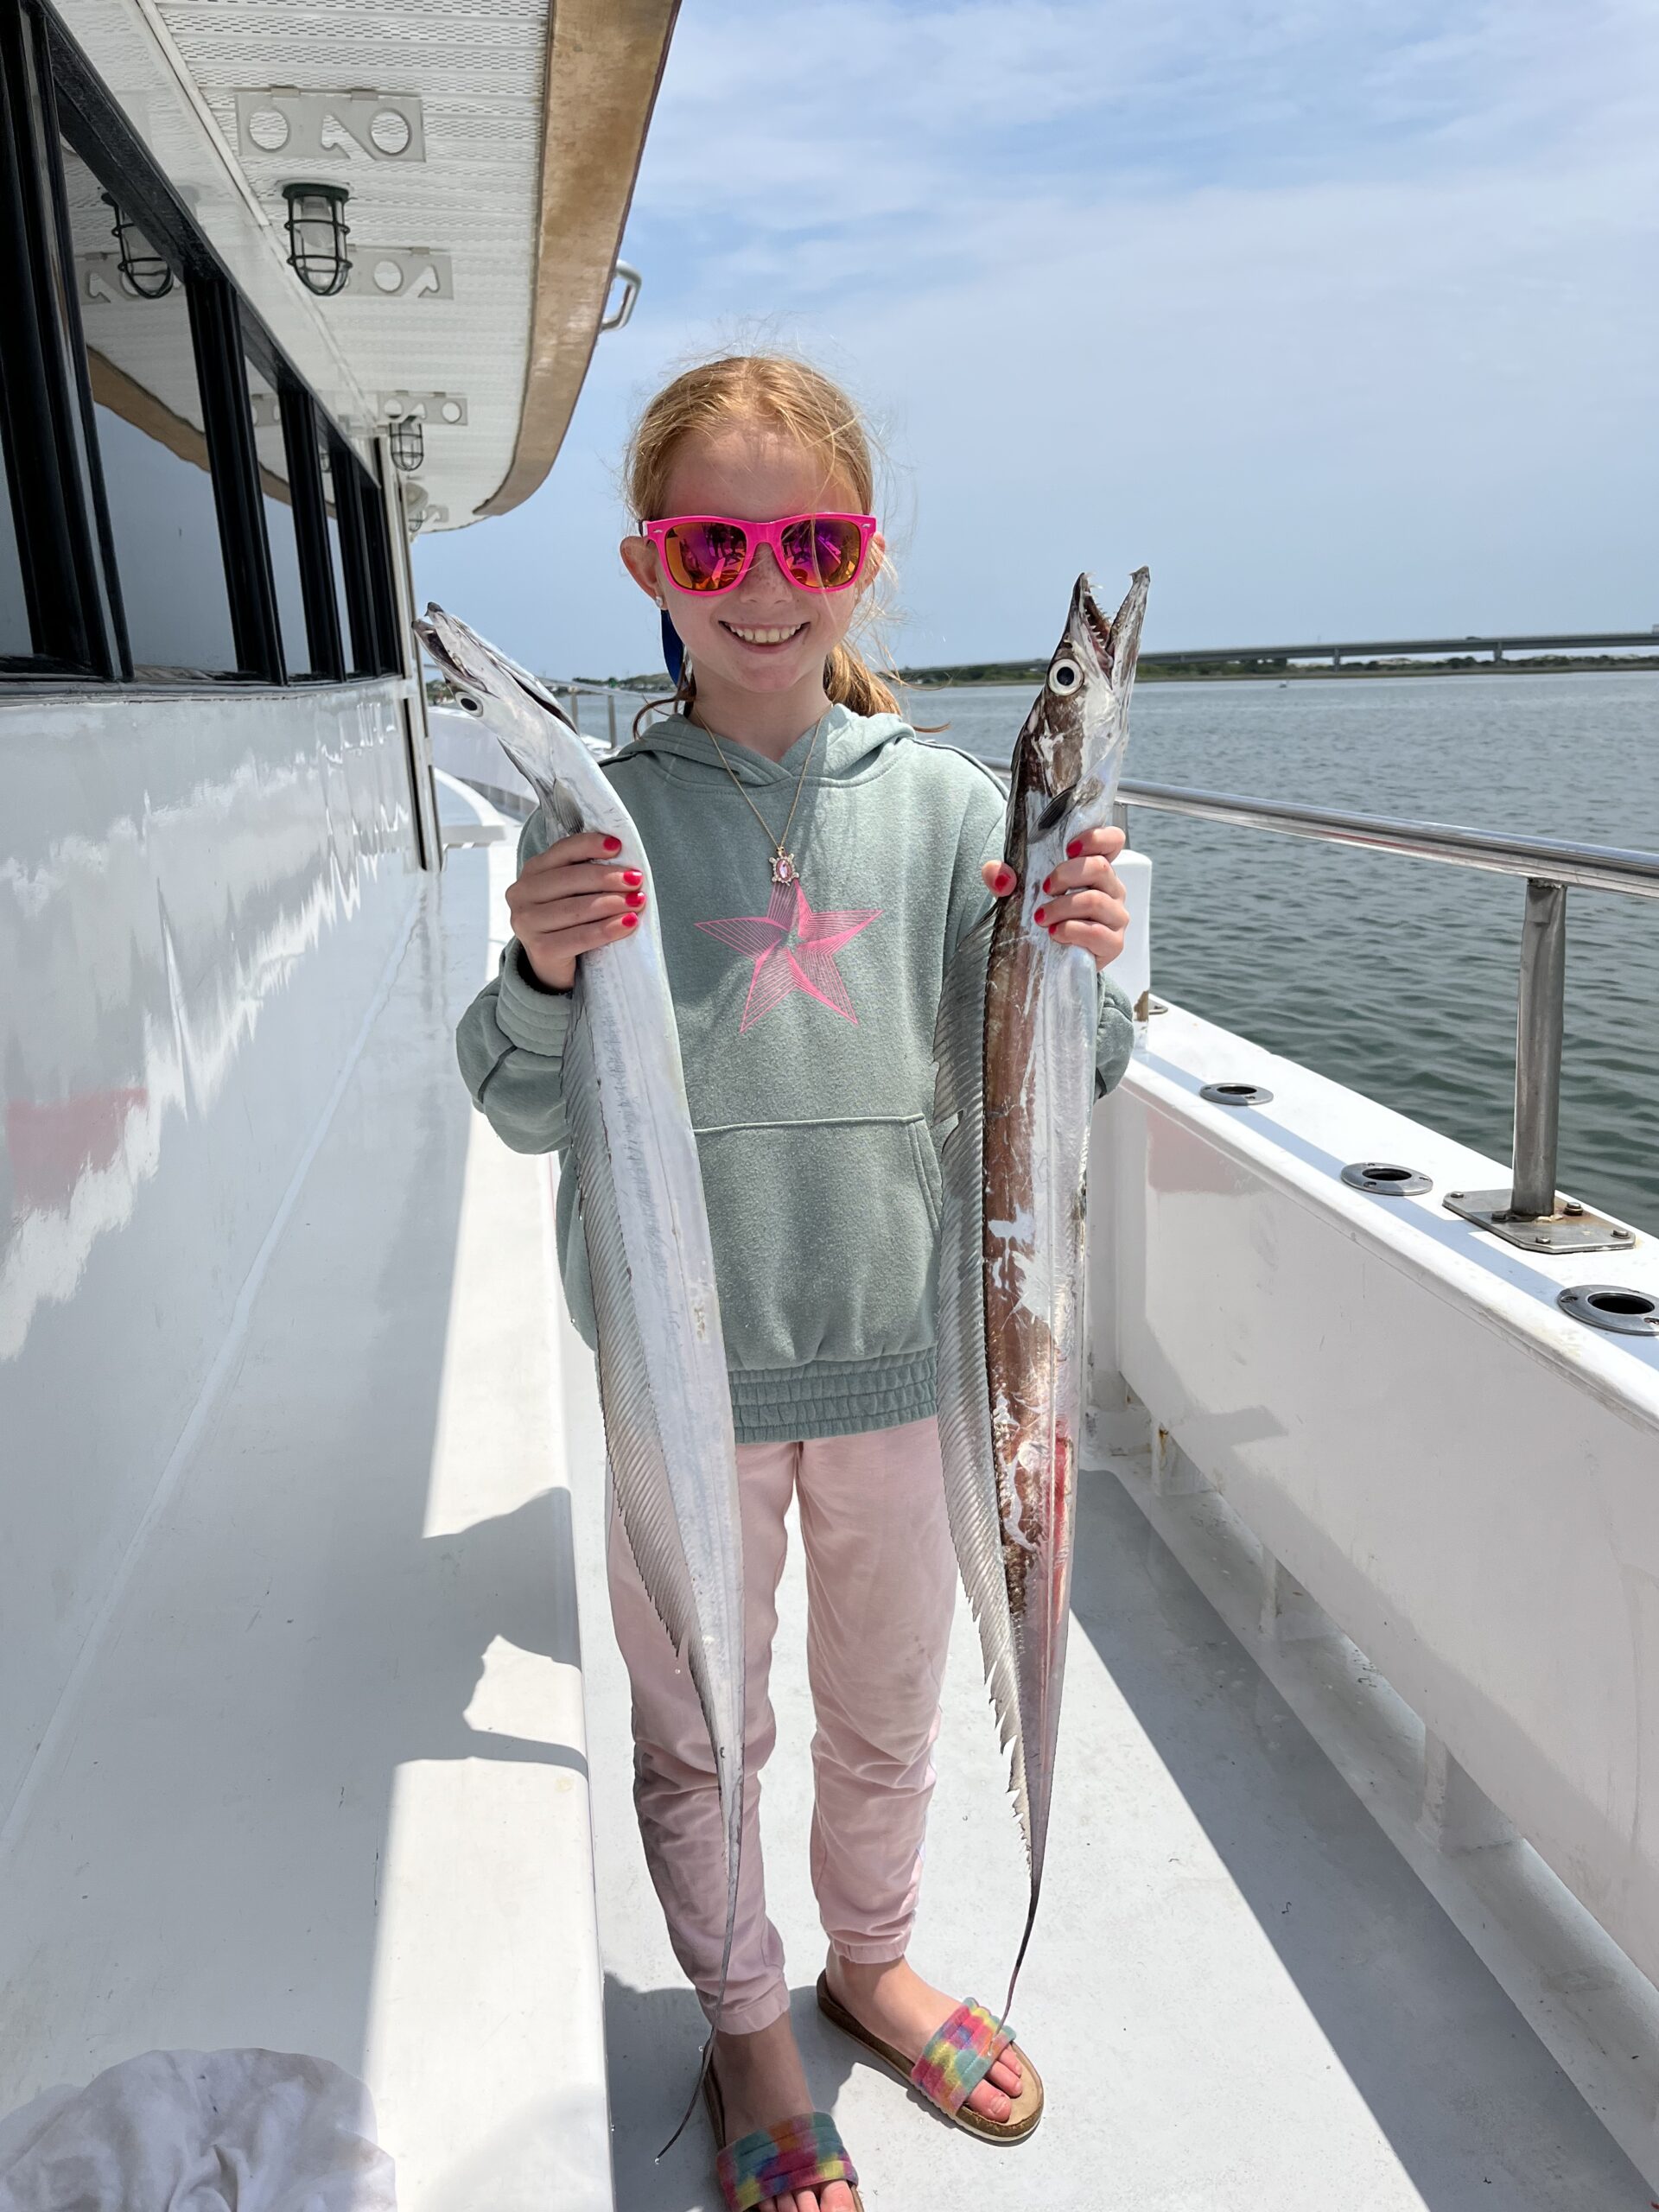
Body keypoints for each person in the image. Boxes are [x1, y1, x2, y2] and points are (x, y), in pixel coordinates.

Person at [456, 353, 1134, 2212]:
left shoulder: (949, 808)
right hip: (680, 1389)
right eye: (714, 546)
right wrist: (536, 971)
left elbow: (1047, 1083)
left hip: (905, 1370)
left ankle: (870, 1956)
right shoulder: (592, 819)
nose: (764, 584)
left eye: (811, 543)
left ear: (864, 559)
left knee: (887, 1702)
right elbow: (519, 1101)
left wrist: (1090, 961)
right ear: (649, 564)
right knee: (702, 1724)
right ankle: (747, 2015)